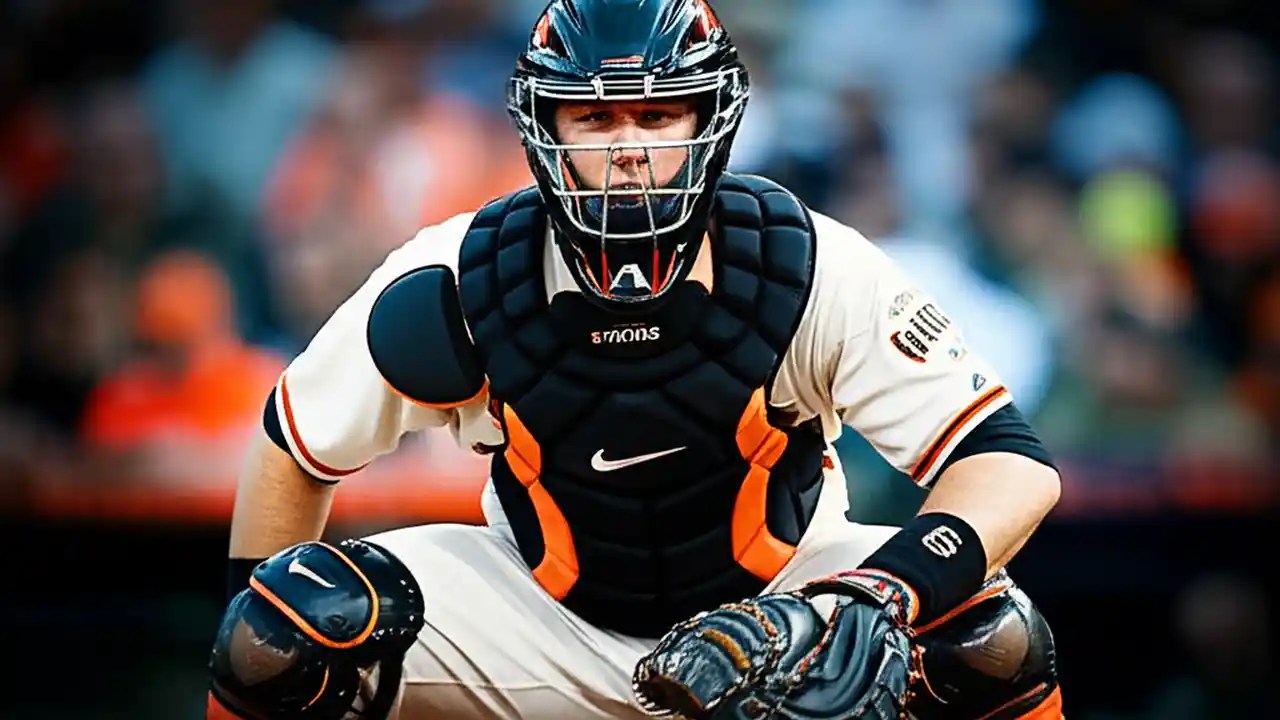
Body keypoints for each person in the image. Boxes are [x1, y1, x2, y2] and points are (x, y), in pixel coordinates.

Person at [206, 1, 1065, 718]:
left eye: (656, 116)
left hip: (789, 602)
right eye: (595, 117)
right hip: (540, 614)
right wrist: (249, 629)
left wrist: (878, 595)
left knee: (992, 635)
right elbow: (294, 440)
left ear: (709, 121)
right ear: (545, 128)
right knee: (283, 627)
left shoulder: (806, 263)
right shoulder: (459, 276)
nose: (627, 148)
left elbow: (1010, 463)